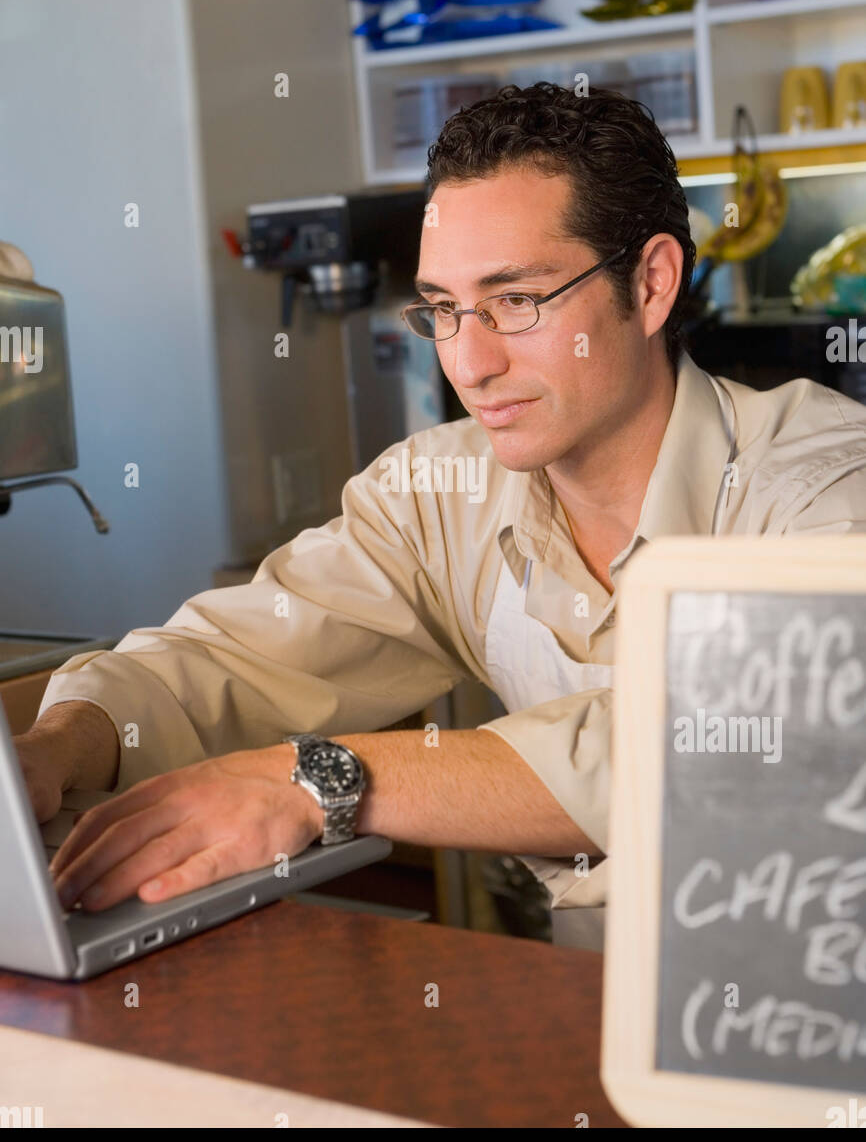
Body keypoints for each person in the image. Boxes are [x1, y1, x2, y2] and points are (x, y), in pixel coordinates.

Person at [17, 84, 866, 951]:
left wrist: (315, 782)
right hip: (583, 1008)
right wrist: (58, 748)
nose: (469, 361)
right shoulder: (440, 494)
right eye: (445, 310)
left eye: (516, 302)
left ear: (650, 285)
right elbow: (234, 657)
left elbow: (721, 743)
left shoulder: (823, 491)